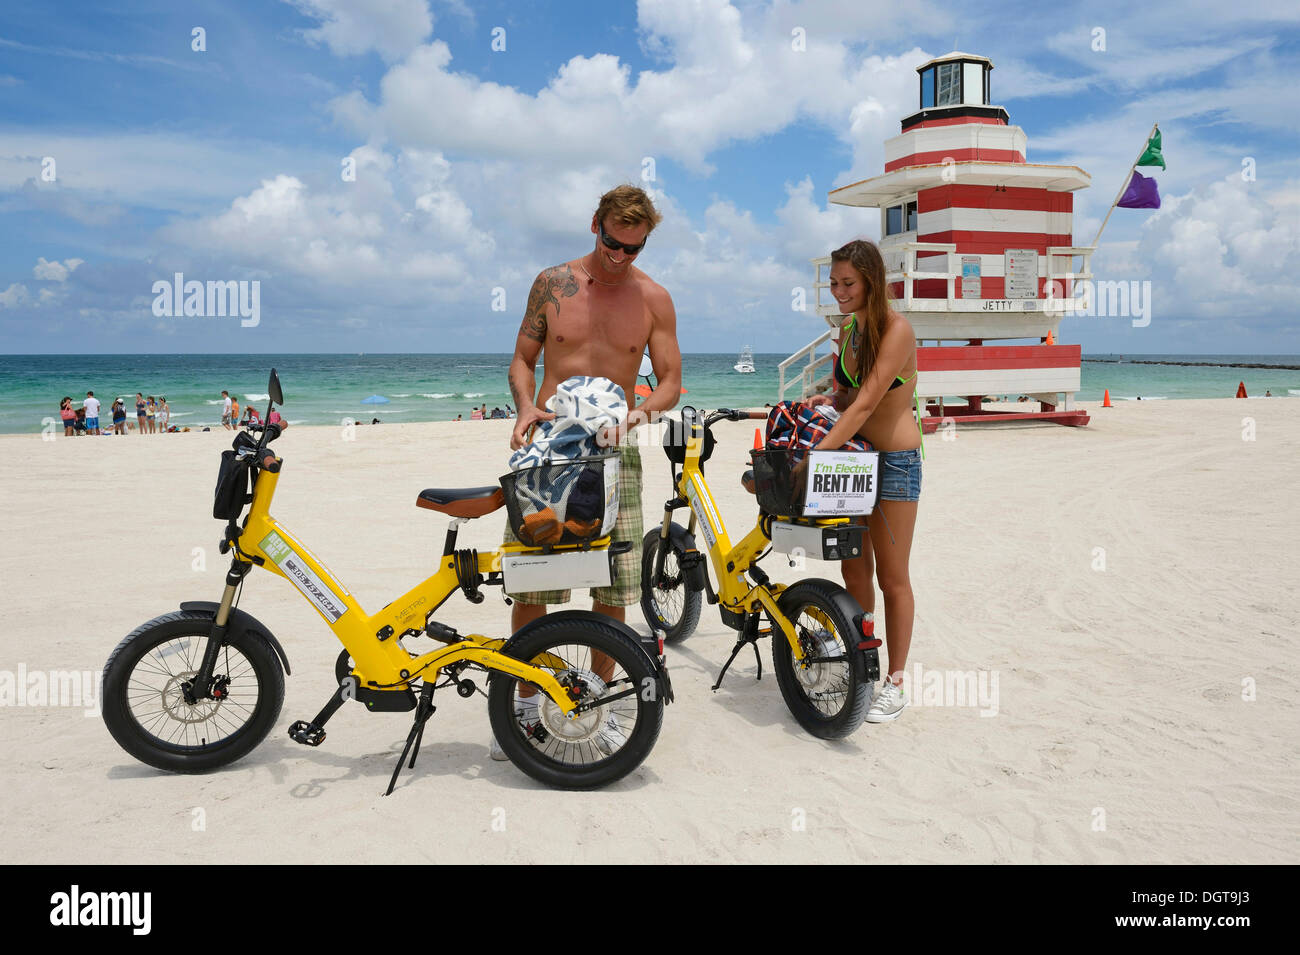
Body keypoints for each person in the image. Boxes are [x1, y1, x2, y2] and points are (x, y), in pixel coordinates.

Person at [494, 183, 682, 759]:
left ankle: (594, 698)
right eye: (612, 243)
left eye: (634, 248)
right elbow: (523, 360)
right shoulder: (552, 284)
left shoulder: (654, 299)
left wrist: (640, 414)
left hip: (614, 454)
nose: (620, 257)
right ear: (594, 224)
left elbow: (671, 382)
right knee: (533, 580)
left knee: (614, 582)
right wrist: (526, 406)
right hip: (549, 450)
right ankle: (525, 703)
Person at [802, 238, 923, 723]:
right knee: (854, 570)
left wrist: (817, 455)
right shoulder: (849, 329)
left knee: (893, 578)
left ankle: (895, 682)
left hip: (894, 462)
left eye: (848, 283)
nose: (839, 292)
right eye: (833, 284)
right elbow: (847, 395)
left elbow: (871, 402)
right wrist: (823, 402)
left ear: (872, 281)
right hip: (855, 458)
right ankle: (862, 659)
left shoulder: (898, 330)